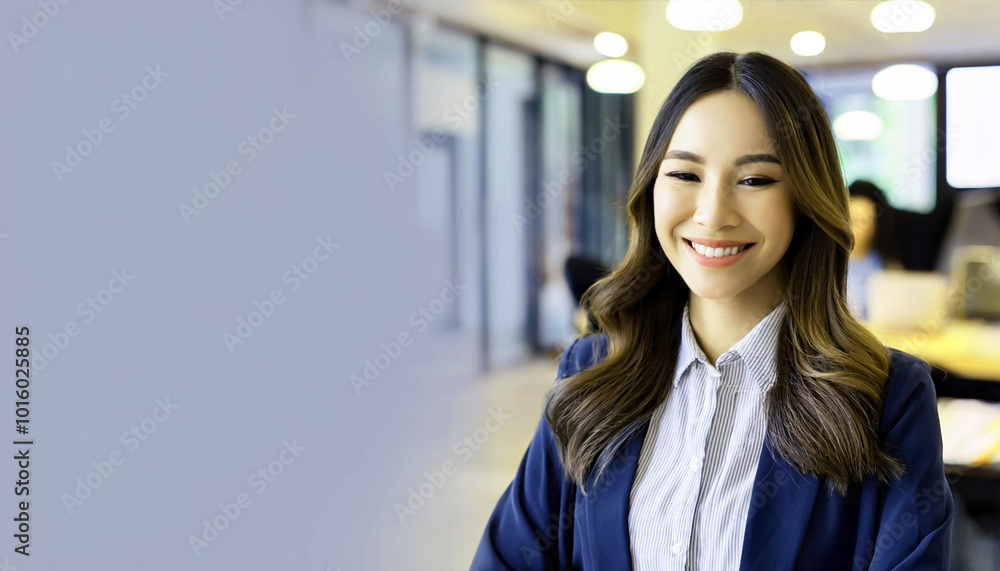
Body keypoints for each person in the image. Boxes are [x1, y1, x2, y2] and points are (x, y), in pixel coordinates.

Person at [471, 51, 953, 570]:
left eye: (754, 180)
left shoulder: (889, 398)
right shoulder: (592, 371)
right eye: (684, 174)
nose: (713, 214)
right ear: (652, 187)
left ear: (805, 200)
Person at [846, 180, 904, 320]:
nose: (857, 229)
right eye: (851, 220)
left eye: (864, 221)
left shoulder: (888, 266)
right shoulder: (828, 265)